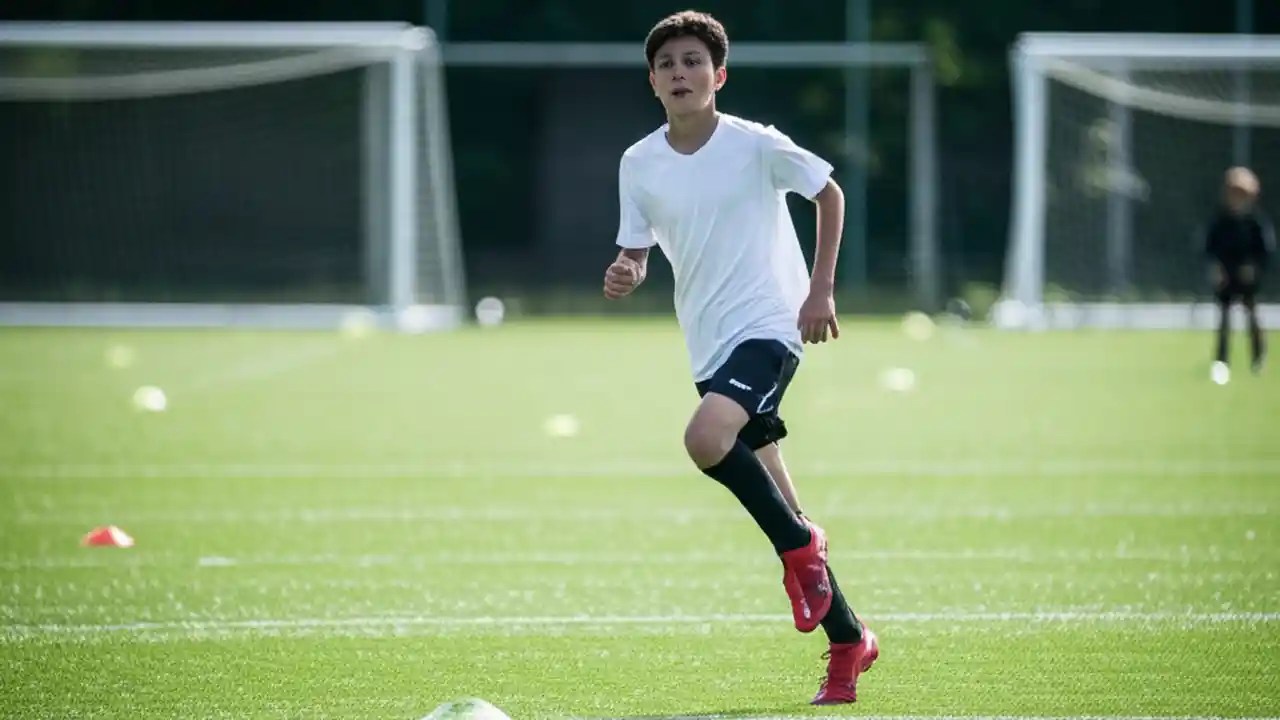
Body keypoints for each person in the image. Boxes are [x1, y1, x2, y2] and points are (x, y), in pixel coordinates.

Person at [601, 10, 877, 705]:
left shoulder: (755, 145)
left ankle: (802, 552)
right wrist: (627, 270)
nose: (680, 73)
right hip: (708, 340)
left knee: (704, 437)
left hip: (770, 327)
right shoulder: (639, 162)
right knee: (781, 503)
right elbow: (636, 249)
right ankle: (848, 641)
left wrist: (820, 291)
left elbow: (829, 193)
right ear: (653, 83)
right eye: (667, 65)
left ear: (718, 75)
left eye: (694, 61)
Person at [1205, 166, 1274, 376]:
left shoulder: (1255, 222)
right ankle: (1221, 360)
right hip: (1226, 275)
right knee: (1224, 319)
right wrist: (1216, 267)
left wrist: (1254, 267)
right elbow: (1210, 247)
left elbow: (1265, 250)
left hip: (1247, 277)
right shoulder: (1220, 220)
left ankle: (1258, 358)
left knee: (1252, 316)